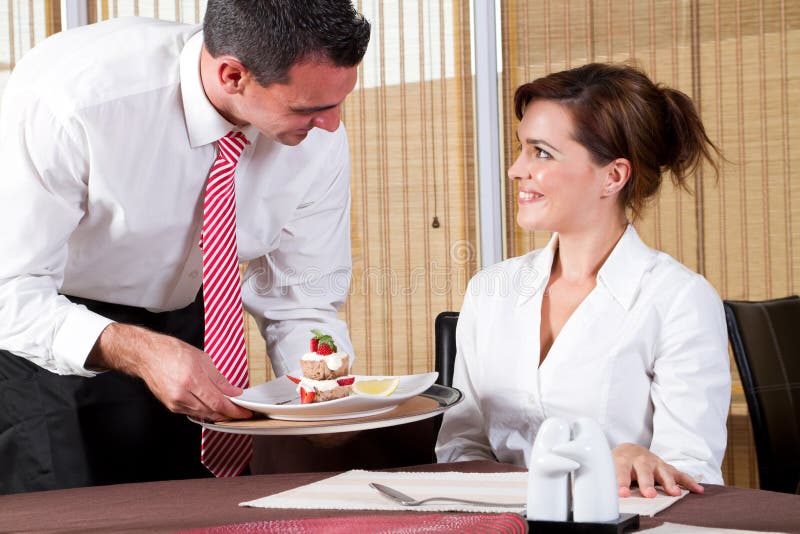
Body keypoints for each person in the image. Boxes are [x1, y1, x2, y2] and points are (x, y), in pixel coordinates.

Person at [0, 0, 370, 493]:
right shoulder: (72, 100)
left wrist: (324, 397)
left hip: (192, 324)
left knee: (190, 509)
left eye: (339, 101)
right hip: (51, 336)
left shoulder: (319, 135)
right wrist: (137, 348)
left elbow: (300, 295)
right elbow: (10, 290)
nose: (332, 124)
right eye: (310, 108)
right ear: (233, 75)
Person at [436, 63, 731, 498]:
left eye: (541, 153)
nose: (517, 169)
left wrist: (642, 460)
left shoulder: (679, 300)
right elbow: (460, 443)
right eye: (521, 149)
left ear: (612, 176)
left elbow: (692, 469)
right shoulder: (490, 289)